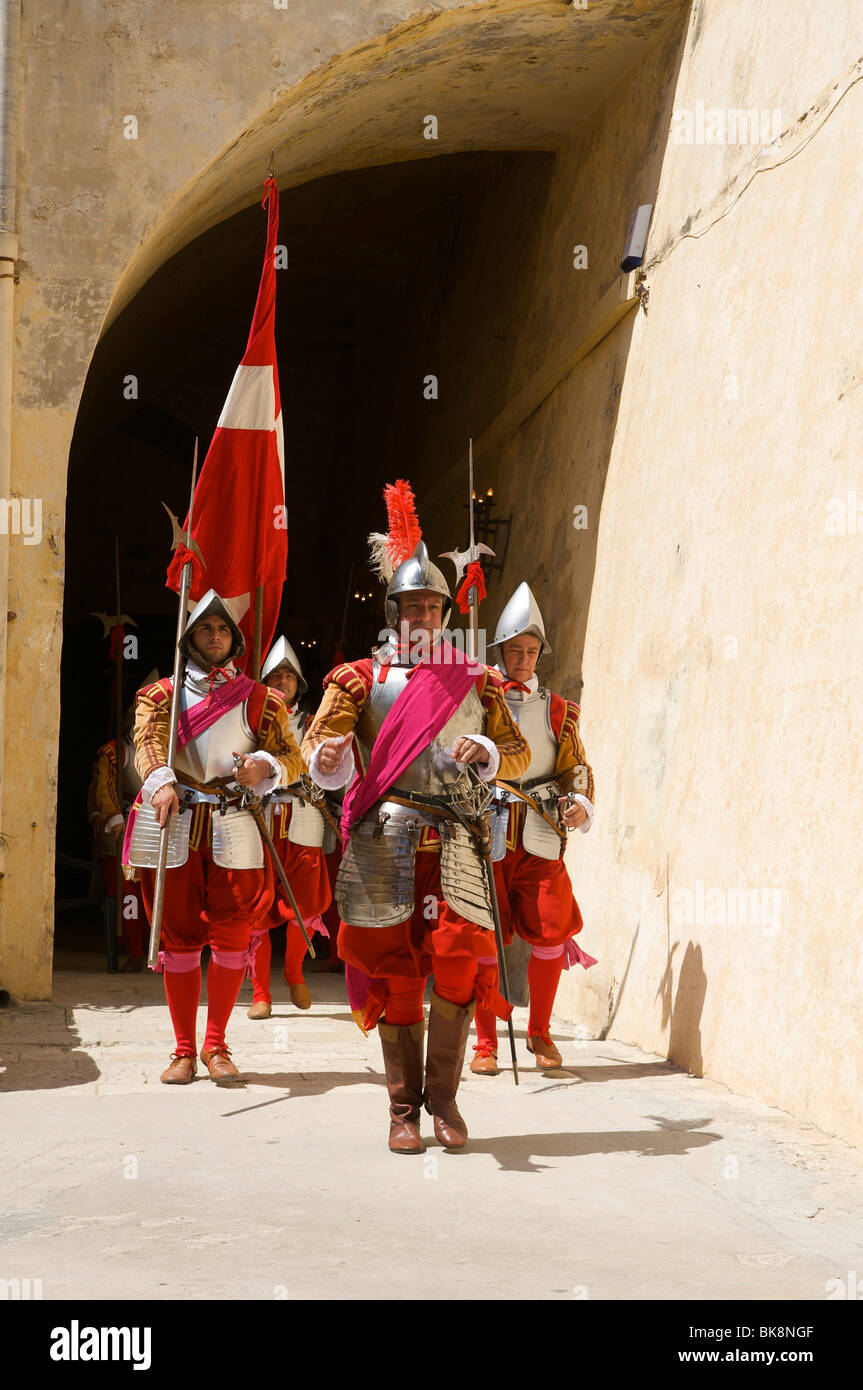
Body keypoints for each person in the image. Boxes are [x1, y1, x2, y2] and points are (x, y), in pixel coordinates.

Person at [302, 509, 530, 1154]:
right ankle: (403, 1110)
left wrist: (486, 748)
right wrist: (327, 756)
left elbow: (514, 753)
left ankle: (446, 1103)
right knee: (398, 972)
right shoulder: (358, 679)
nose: (422, 616)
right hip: (387, 831)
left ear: (445, 613)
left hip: (457, 832)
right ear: (393, 611)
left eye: (432, 606)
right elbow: (322, 740)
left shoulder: (478, 679)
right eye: (411, 606)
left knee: (457, 964)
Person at [123, 590, 303, 1084]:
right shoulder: (160, 694)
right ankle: (182, 1049)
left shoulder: (262, 700)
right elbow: (148, 743)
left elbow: (293, 759)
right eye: (207, 628)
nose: (216, 636)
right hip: (178, 819)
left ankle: (216, 1045)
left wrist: (265, 766)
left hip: (235, 818)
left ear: (236, 639)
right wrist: (159, 780)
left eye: (224, 629)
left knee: (231, 936)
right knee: (179, 940)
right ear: (190, 636)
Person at [470, 581, 596, 1075]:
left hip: (541, 833)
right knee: (484, 935)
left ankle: (540, 1033)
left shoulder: (560, 711)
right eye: (514, 650)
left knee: (549, 930)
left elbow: (576, 769)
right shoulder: (477, 702)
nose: (523, 658)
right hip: (486, 831)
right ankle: (484, 1043)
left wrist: (581, 802)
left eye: (531, 650)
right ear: (499, 650)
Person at [247, 636, 335, 1019]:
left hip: (304, 818)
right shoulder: (249, 722)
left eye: (289, 676)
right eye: (275, 675)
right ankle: (260, 992)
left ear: (300, 683)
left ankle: (294, 970)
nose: (282, 681)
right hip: (258, 820)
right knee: (255, 908)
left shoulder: (317, 724)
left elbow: (337, 773)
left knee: (308, 905)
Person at [87, 709, 144, 969]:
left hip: (162, 821)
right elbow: (104, 785)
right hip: (126, 824)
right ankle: (134, 951)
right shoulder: (116, 751)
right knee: (126, 892)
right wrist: (113, 816)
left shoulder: (173, 745)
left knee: (163, 894)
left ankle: (166, 953)